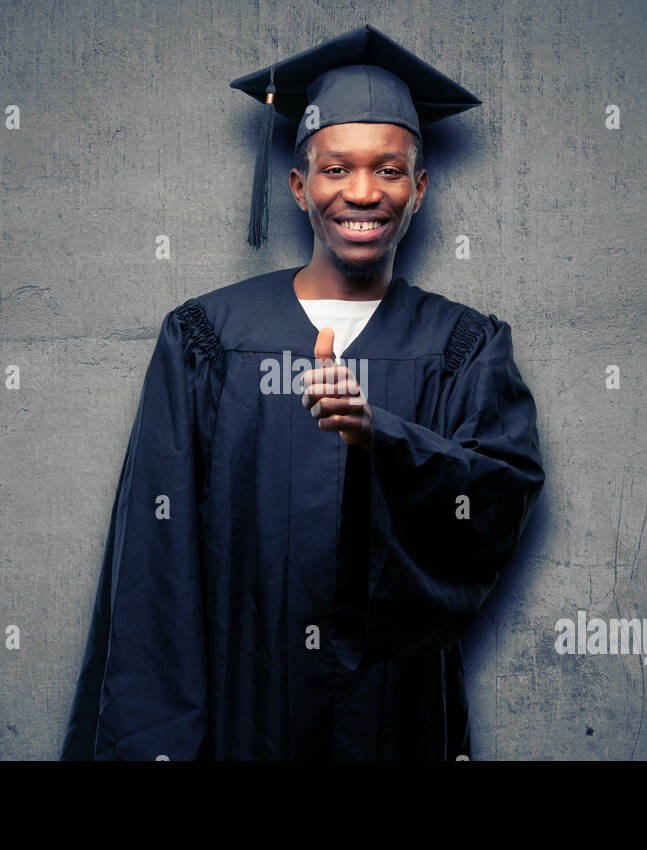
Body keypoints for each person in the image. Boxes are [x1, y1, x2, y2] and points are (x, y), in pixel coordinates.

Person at [61, 24, 546, 761]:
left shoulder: (464, 346)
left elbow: (496, 501)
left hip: (393, 712)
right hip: (239, 704)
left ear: (418, 188)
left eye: (388, 171)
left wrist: (380, 437)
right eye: (336, 169)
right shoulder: (206, 339)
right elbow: (155, 561)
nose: (361, 192)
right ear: (298, 185)